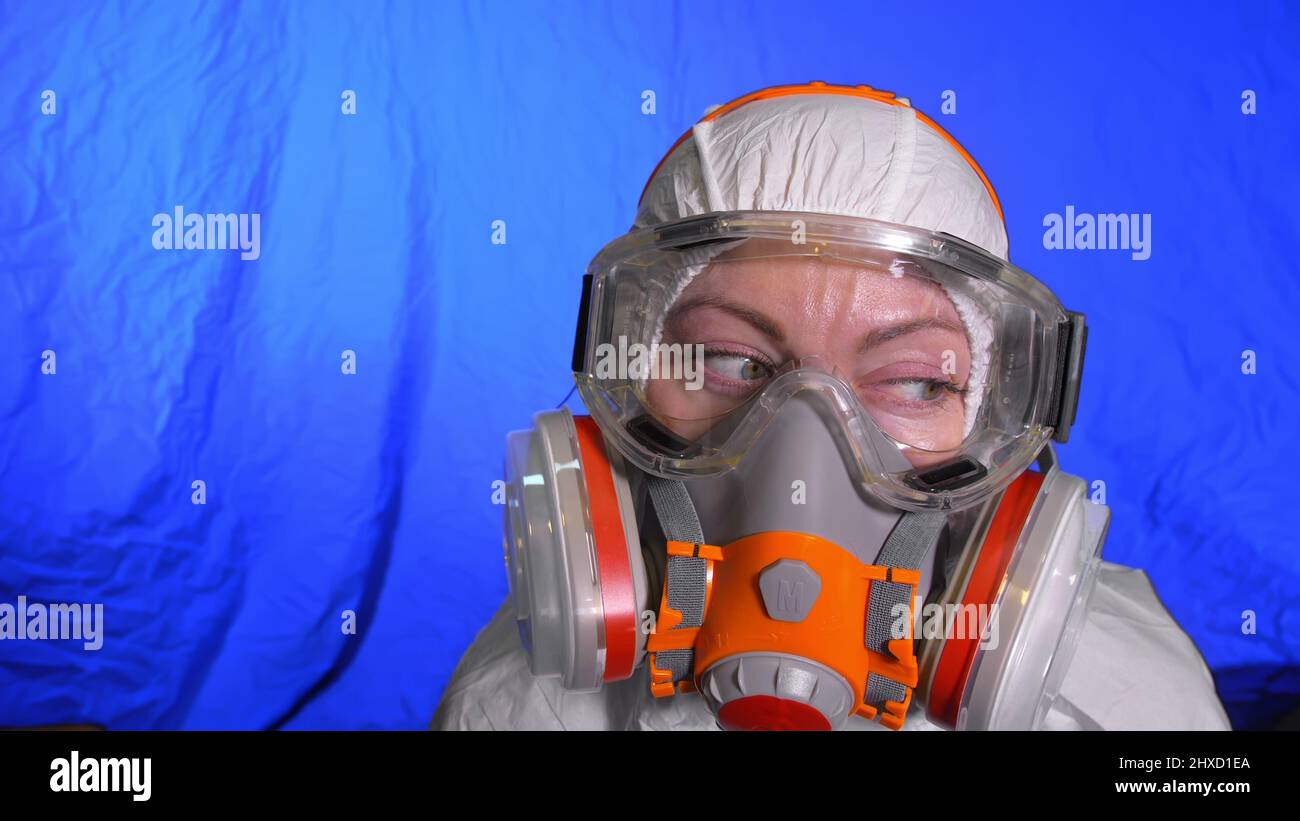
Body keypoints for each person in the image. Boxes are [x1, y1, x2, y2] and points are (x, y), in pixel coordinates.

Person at [432, 82, 1231, 731]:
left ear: (990, 413)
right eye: (729, 361)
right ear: (635, 380)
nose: (801, 466)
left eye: (917, 382)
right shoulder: (516, 708)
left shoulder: (1129, 713)